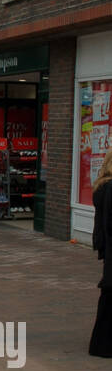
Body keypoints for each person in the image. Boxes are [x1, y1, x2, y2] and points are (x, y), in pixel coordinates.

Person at [89, 149, 112, 356]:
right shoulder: (110, 188)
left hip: (108, 249)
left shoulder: (102, 187)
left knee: (108, 296)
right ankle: (102, 345)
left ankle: (101, 344)